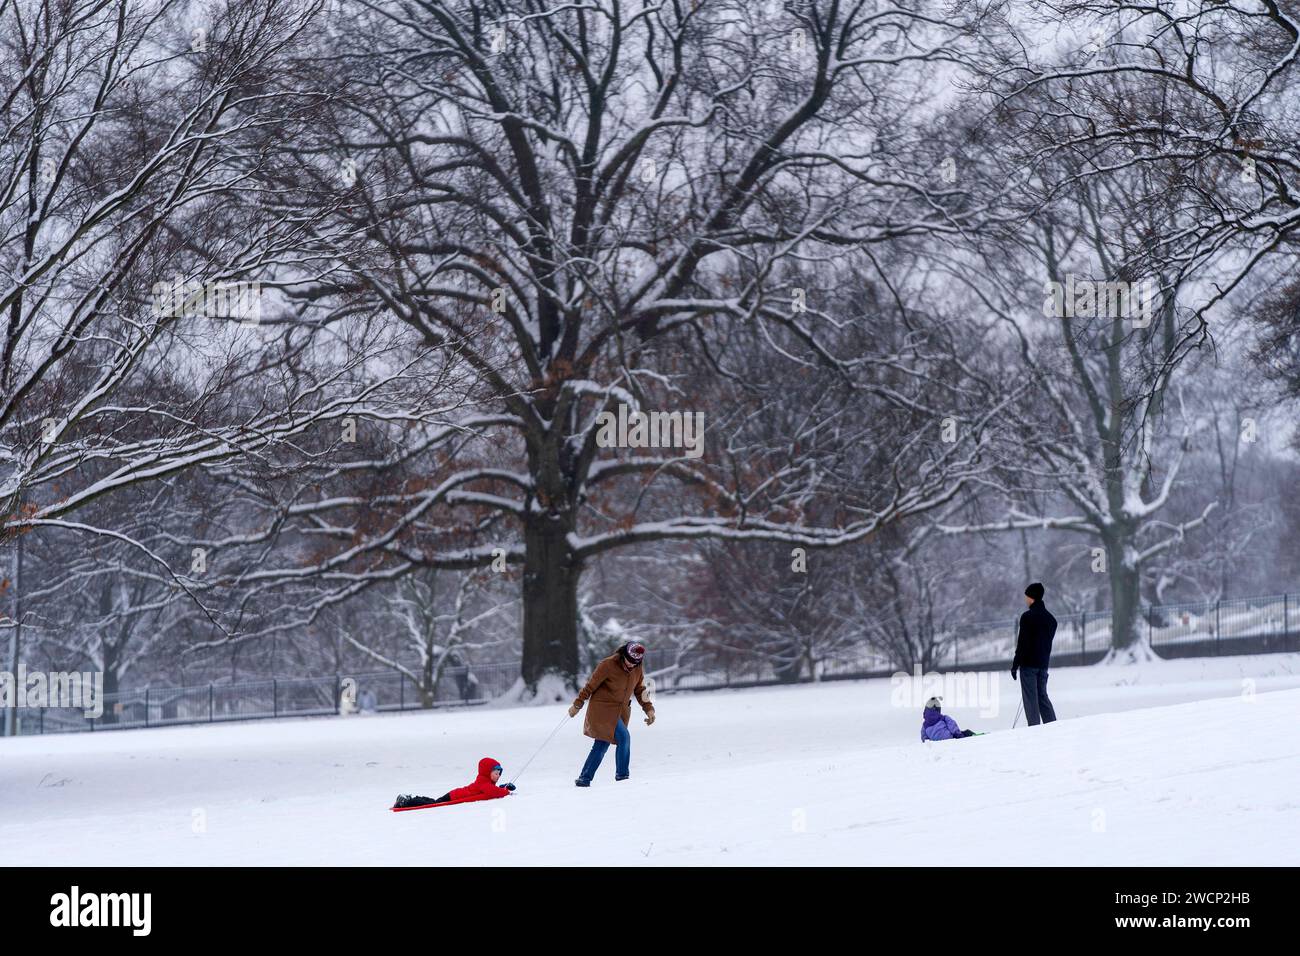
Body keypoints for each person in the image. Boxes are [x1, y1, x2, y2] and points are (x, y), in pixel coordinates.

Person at [568, 641, 655, 786]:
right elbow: (590, 686)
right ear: (623, 655)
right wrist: (578, 704)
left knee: (602, 744)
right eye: (630, 661)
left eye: (635, 663)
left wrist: (649, 709)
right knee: (624, 737)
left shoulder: (637, 668)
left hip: (620, 712)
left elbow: (640, 690)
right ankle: (622, 777)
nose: (632, 665)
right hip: (602, 710)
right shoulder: (607, 665)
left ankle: (584, 778)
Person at [1012, 581, 1058, 726]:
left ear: (1032, 597)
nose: (1025, 599)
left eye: (1026, 596)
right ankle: (1053, 726)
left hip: (1028, 665)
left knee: (1030, 699)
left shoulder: (1027, 617)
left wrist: (1015, 664)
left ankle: (1034, 730)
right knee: (1042, 697)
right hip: (1043, 665)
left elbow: (1022, 643)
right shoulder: (1052, 620)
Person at [392, 756, 515, 809]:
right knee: (433, 803)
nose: (498, 776)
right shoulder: (483, 783)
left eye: (499, 773)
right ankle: (406, 801)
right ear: (487, 773)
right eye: (496, 773)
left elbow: (493, 790)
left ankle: (411, 799)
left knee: (433, 801)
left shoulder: (485, 783)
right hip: (454, 796)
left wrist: (503, 787)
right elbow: (493, 792)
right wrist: (505, 791)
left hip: (454, 794)